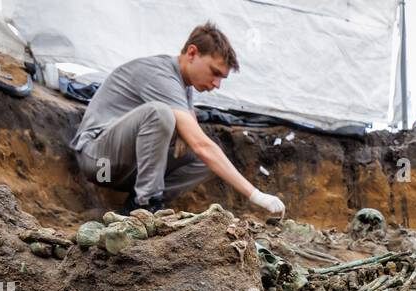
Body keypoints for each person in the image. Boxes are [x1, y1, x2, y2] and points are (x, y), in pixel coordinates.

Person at [70, 22, 285, 218]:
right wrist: (256, 195)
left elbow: (198, 143)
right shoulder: (160, 75)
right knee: (160, 114)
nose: (217, 84)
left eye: (222, 78)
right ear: (192, 53)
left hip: (121, 172)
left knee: (203, 160)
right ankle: (146, 204)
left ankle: (137, 204)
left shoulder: (184, 85)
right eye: (214, 72)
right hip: (99, 166)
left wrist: (184, 132)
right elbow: (202, 145)